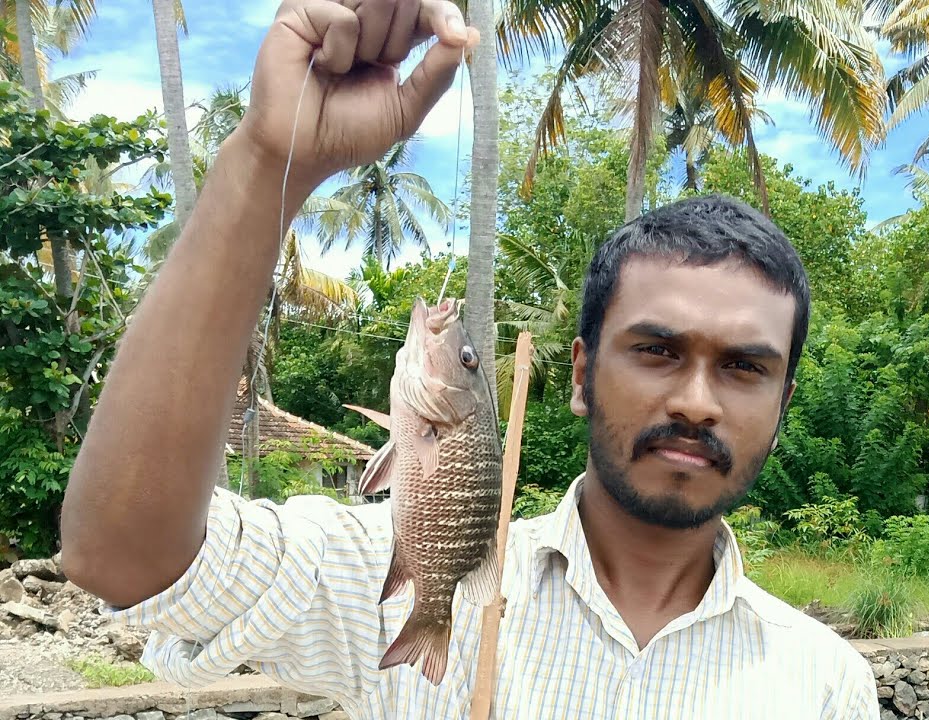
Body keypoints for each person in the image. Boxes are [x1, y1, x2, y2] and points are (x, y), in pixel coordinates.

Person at [58, 0, 880, 717]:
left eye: (744, 367)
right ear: (584, 375)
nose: (698, 399)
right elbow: (121, 557)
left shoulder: (823, 681)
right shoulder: (384, 580)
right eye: (657, 351)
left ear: (782, 399)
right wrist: (269, 160)